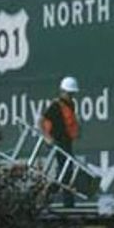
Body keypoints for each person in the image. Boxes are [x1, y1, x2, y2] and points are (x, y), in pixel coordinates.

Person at [40, 76, 82, 207]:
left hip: (67, 142)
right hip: (58, 143)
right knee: (66, 172)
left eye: (72, 93)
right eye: (69, 93)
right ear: (62, 92)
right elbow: (42, 120)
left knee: (66, 172)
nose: (71, 95)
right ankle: (65, 202)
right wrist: (47, 137)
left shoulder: (71, 104)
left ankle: (57, 197)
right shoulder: (55, 106)